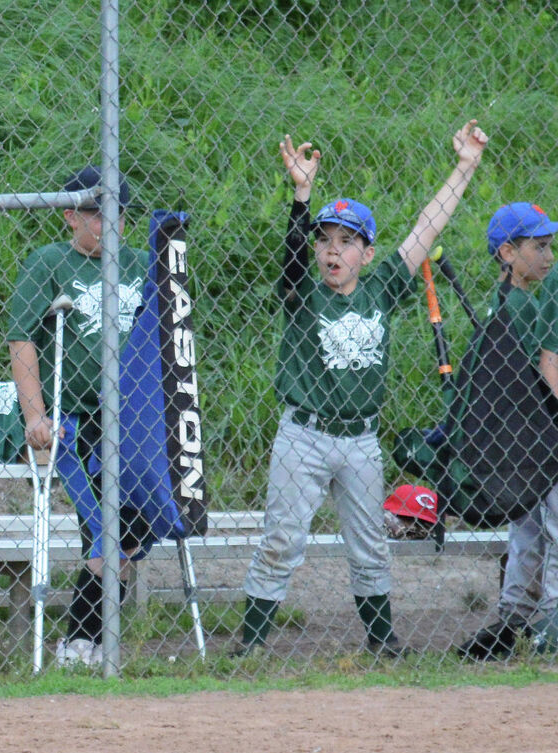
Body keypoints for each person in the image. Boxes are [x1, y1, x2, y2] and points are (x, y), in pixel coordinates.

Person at [235, 124, 487, 656]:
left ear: (366, 254)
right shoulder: (303, 292)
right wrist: (301, 195)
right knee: (282, 540)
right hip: (302, 434)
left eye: (347, 242)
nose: (333, 251)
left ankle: (381, 640)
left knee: (370, 545)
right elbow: (290, 257)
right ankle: (251, 643)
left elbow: (426, 226)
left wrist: (464, 166)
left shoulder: (382, 288)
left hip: (360, 440)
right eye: (325, 239)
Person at [5, 167, 150, 669]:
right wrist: (36, 416)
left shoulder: (142, 265)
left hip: (134, 421)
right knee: (105, 527)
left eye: (116, 212)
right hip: (76, 419)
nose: (107, 222)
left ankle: (89, 642)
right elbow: (21, 339)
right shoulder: (49, 263)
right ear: (71, 216)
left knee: (128, 530)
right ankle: (85, 643)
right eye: (94, 212)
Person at [454, 202, 558, 660]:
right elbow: (547, 367)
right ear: (507, 253)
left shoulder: (508, 302)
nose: (548, 256)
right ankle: (552, 623)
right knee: (551, 529)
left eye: (550, 245)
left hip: (520, 444)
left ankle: (511, 620)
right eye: (538, 246)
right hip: (541, 439)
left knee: (528, 532)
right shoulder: (522, 308)